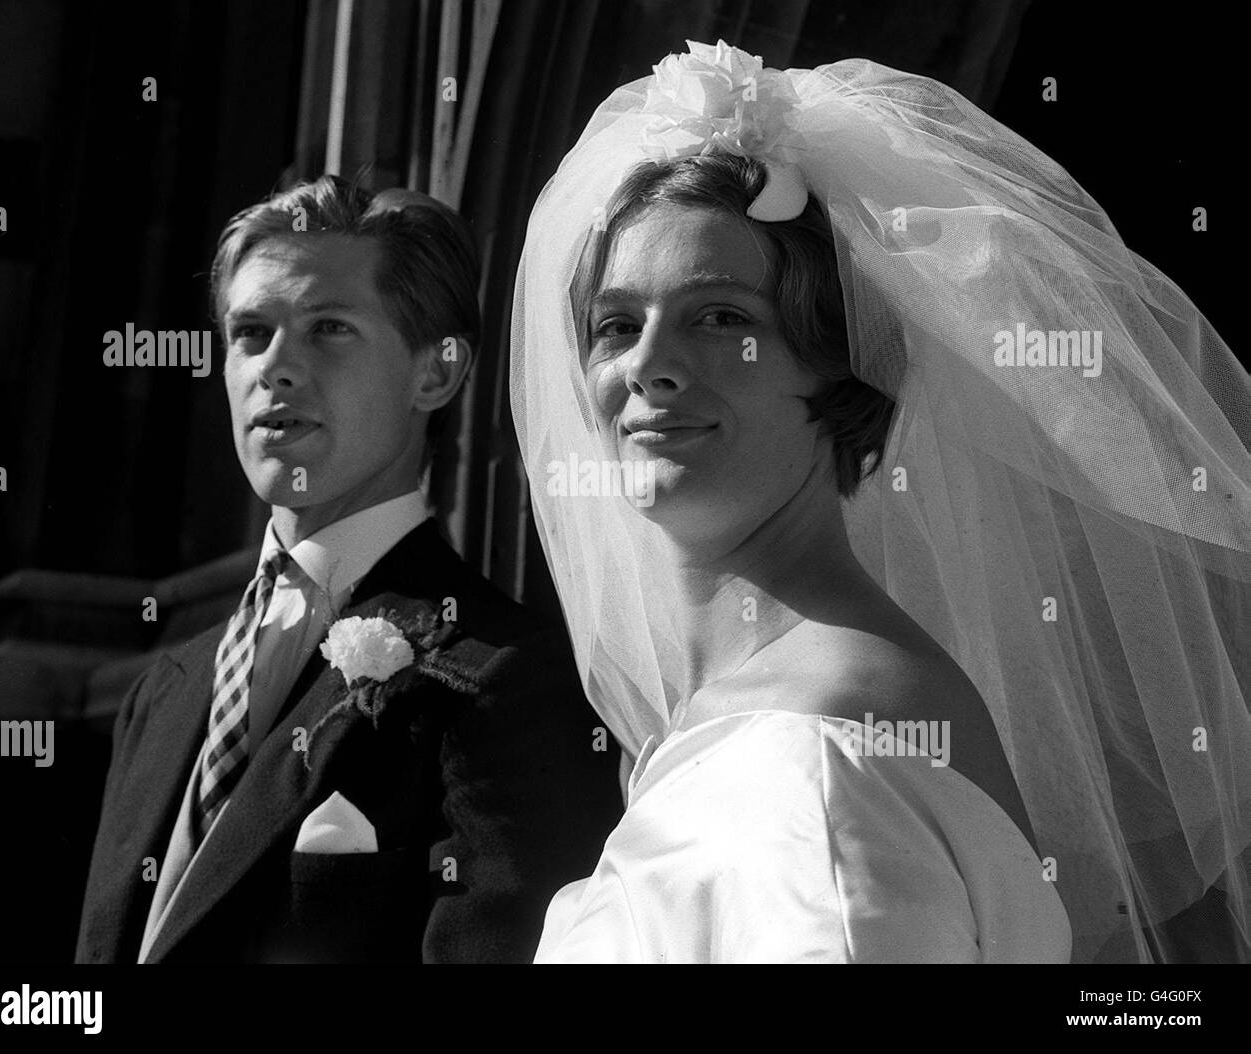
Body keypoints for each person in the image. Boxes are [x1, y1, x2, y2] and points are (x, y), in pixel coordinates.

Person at [510, 41, 1251, 962]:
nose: (647, 365)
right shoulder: (748, 711)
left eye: (722, 319)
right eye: (617, 324)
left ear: (842, 372)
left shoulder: (814, 754)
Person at [75, 176, 620, 963]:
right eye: (250, 333)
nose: (277, 367)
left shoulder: (512, 682)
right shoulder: (160, 693)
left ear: (436, 373)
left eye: (328, 327)